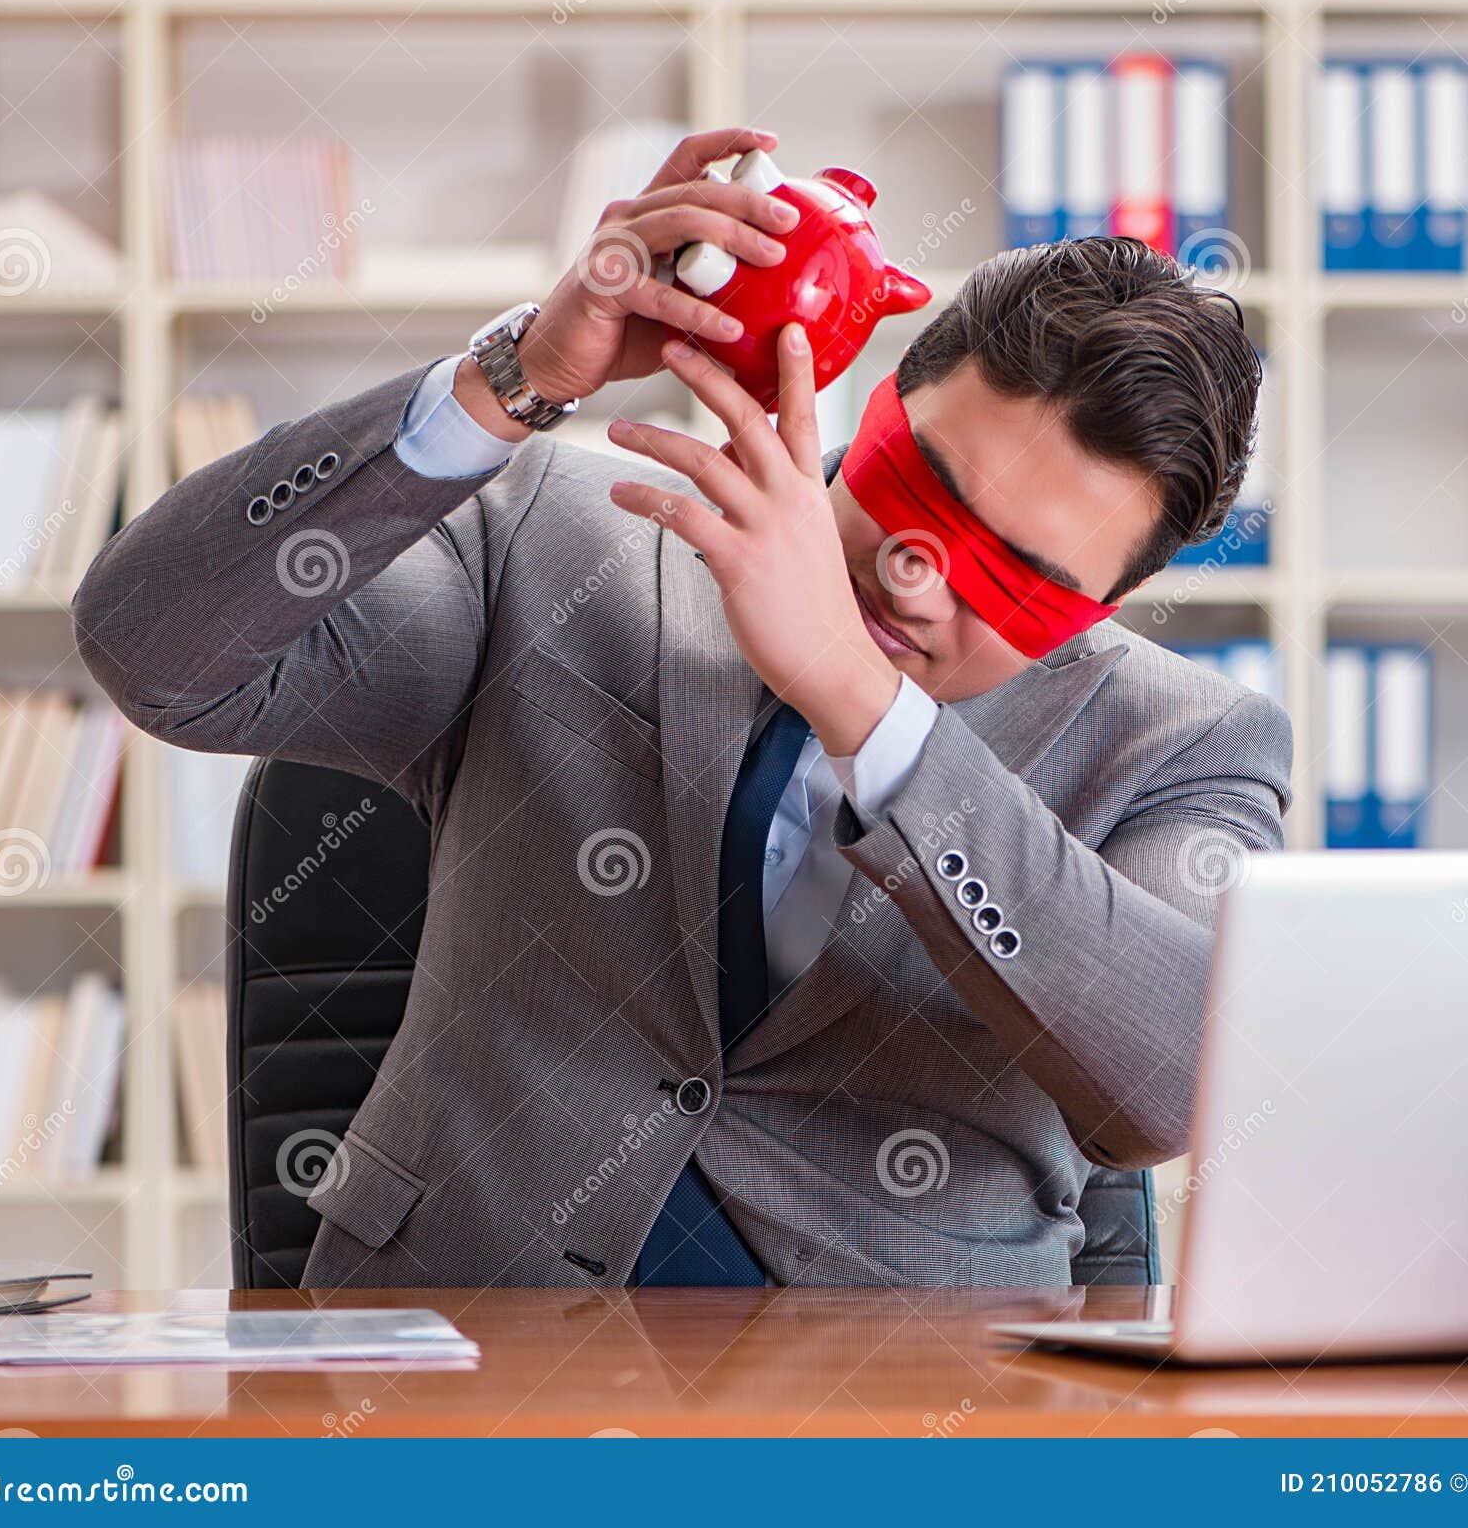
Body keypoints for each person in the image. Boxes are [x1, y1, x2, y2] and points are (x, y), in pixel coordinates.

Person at [73, 126, 1291, 1289]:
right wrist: (516, 381)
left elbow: (1163, 1090)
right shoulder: (550, 541)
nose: (918, 573)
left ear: (1112, 605)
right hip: (468, 1360)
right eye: (917, 485)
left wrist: (866, 707)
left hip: (900, 1409)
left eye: (1016, 578)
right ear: (872, 401)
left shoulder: (1186, 741)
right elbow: (156, 648)